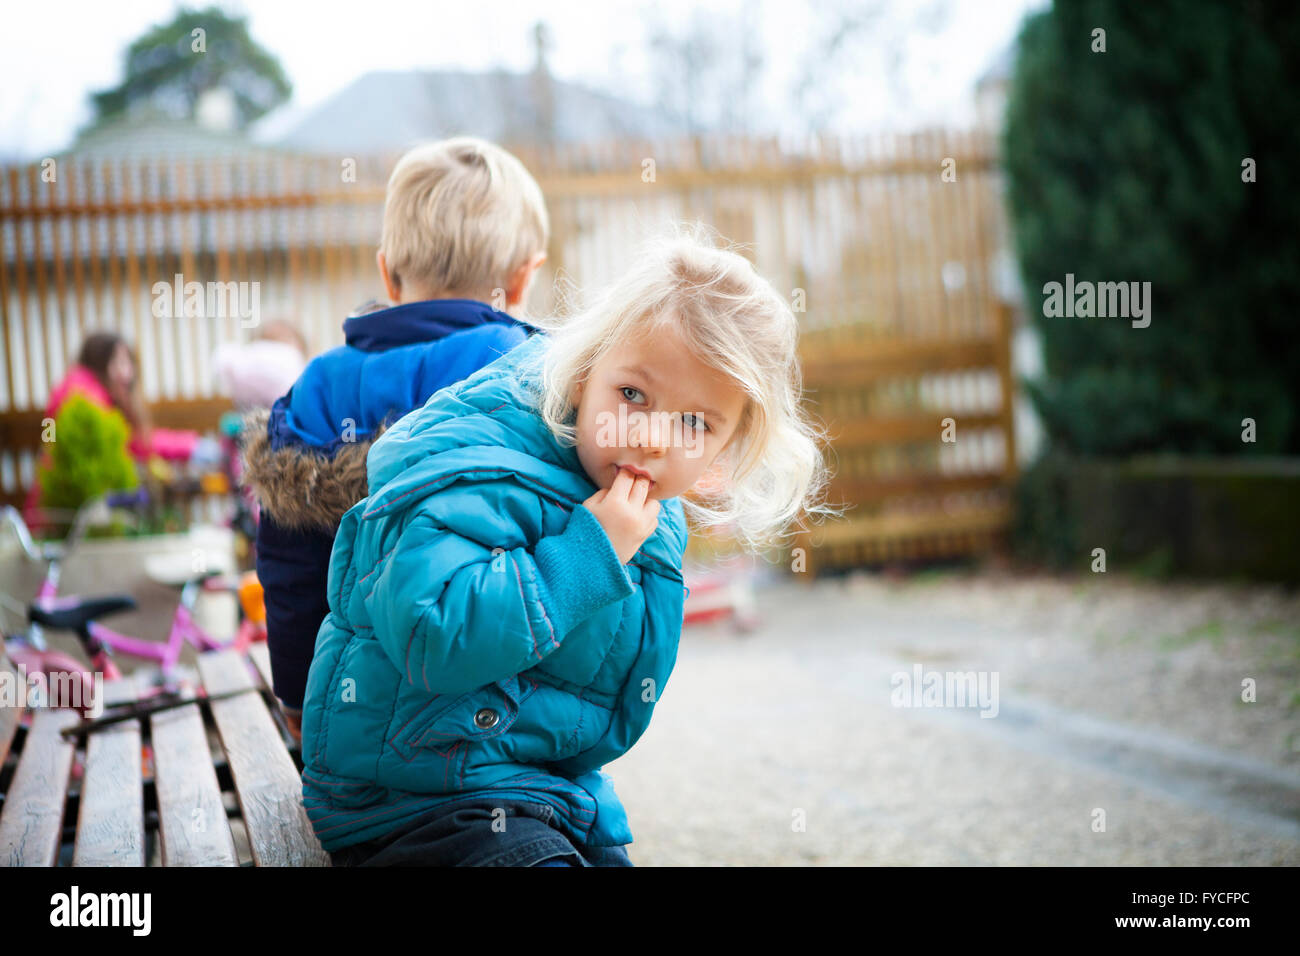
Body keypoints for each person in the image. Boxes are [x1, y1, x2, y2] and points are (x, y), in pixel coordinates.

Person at [301, 225, 836, 867]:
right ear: (584, 374)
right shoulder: (479, 466)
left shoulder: (645, 511)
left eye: (695, 423)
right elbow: (433, 636)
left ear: (725, 451)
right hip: (406, 796)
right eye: (633, 395)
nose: (650, 439)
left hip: (532, 789)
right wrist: (585, 556)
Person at [240, 137, 550, 746]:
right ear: (522, 279)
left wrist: (300, 699)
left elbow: (288, 564)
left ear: (387, 271)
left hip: (353, 725)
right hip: (497, 721)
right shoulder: (529, 373)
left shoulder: (318, 385)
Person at [24, 332, 201, 528]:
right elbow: (132, 441)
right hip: (65, 514)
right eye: (119, 363)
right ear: (99, 362)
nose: (128, 372)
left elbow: (48, 436)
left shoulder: (70, 387)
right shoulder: (86, 396)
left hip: (50, 506)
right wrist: (190, 446)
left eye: (128, 363)